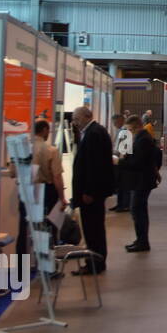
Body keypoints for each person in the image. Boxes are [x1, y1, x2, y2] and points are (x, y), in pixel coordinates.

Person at [12, 119, 67, 272]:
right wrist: (62, 197)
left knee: (24, 229)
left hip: (26, 191)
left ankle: (20, 268)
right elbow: (57, 176)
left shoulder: (22, 148)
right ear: (44, 130)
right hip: (45, 192)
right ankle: (48, 268)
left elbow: (12, 172)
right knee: (46, 230)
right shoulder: (51, 150)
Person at [70, 105, 114, 274]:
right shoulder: (94, 131)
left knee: (93, 229)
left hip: (92, 194)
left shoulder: (94, 134)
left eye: (77, 119)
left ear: (87, 116)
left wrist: (89, 191)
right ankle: (95, 262)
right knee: (93, 228)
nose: (75, 123)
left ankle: (95, 263)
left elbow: (94, 166)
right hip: (94, 192)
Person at [119, 115, 161, 253]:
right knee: (137, 210)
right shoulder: (141, 138)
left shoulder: (143, 139)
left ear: (136, 126)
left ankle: (143, 241)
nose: (128, 132)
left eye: (130, 129)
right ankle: (140, 239)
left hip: (142, 181)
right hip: (140, 180)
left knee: (138, 210)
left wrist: (119, 162)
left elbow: (138, 162)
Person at [111, 113, 133, 213]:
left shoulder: (125, 131)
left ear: (120, 120)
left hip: (122, 161)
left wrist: (118, 156)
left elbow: (124, 148)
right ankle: (120, 204)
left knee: (124, 184)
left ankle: (125, 205)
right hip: (118, 159)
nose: (114, 124)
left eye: (115, 122)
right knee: (120, 184)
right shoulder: (121, 130)